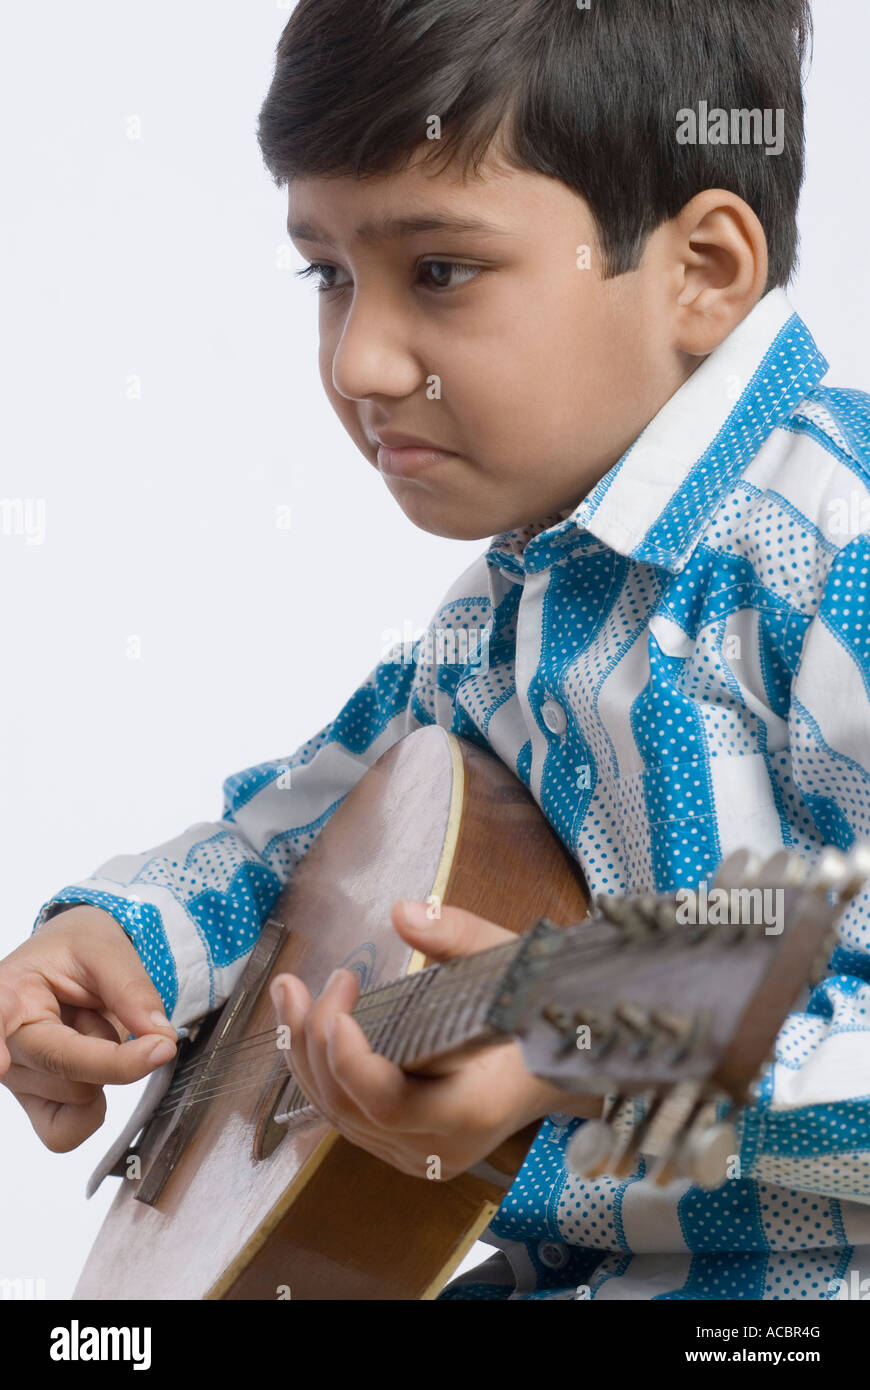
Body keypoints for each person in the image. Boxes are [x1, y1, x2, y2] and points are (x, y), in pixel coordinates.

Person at [3, 0, 870, 1300]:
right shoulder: (497, 616)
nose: (358, 357)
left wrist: (591, 1034)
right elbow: (288, 848)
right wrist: (123, 943)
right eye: (328, 274)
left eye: (440, 270)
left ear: (701, 268)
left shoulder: (829, 553)